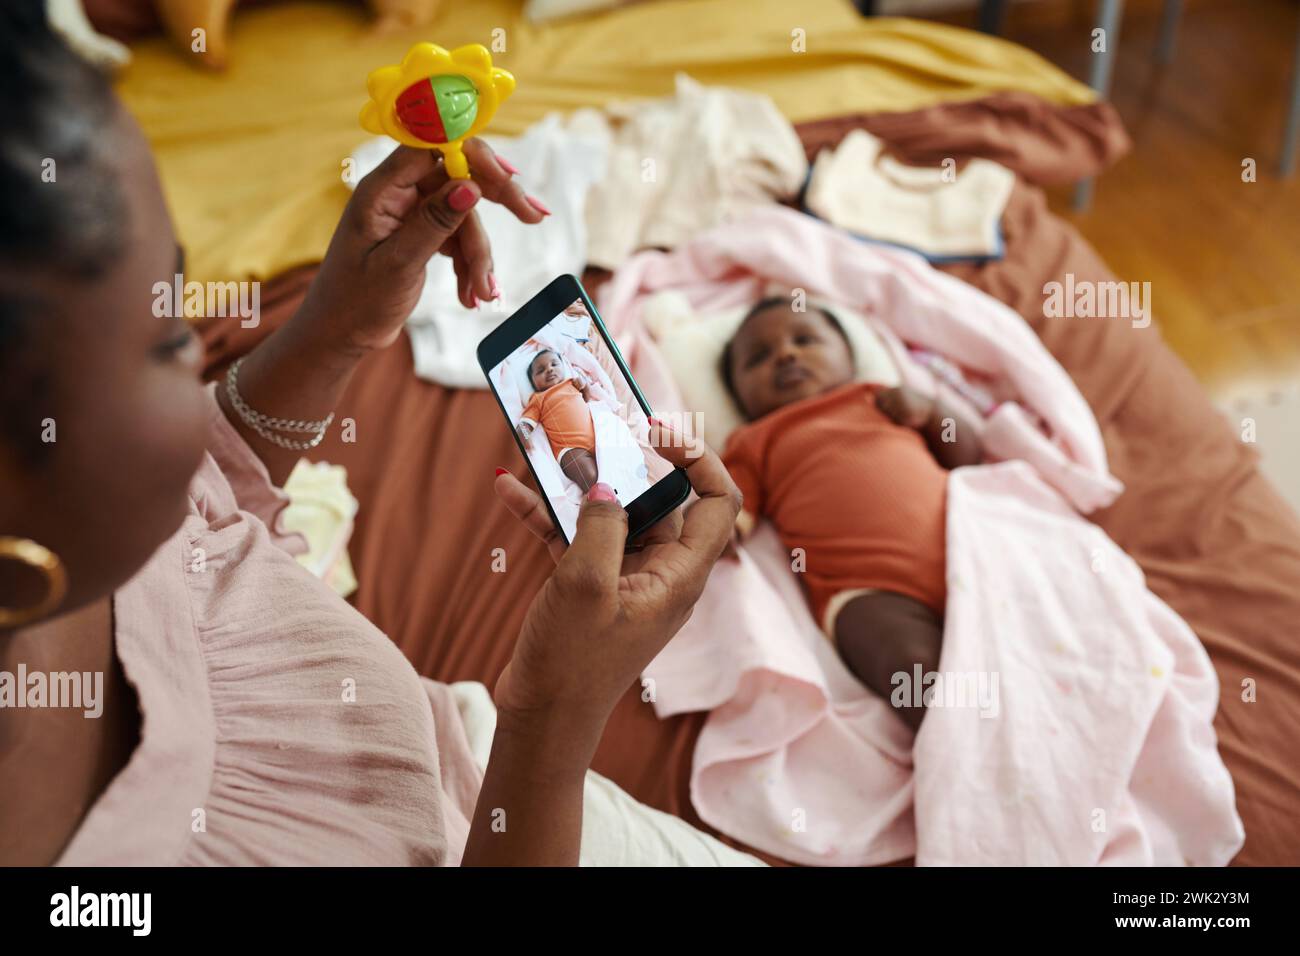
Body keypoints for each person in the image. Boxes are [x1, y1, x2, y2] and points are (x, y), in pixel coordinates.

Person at [0, 4, 740, 865]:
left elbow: (199, 512)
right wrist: (552, 718)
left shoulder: (74, 531)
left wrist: (337, 323)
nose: (200, 348)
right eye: (169, 342)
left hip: (474, 761)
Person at [720, 297, 981, 730]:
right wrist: (722, 529)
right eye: (758, 358)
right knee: (910, 665)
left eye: (805, 340)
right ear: (739, 395)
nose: (786, 354)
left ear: (849, 357)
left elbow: (967, 458)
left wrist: (935, 414)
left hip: (966, 548)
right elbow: (732, 505)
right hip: (868, 592)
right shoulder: (753, 441)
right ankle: (959, 736)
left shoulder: (878, 398)